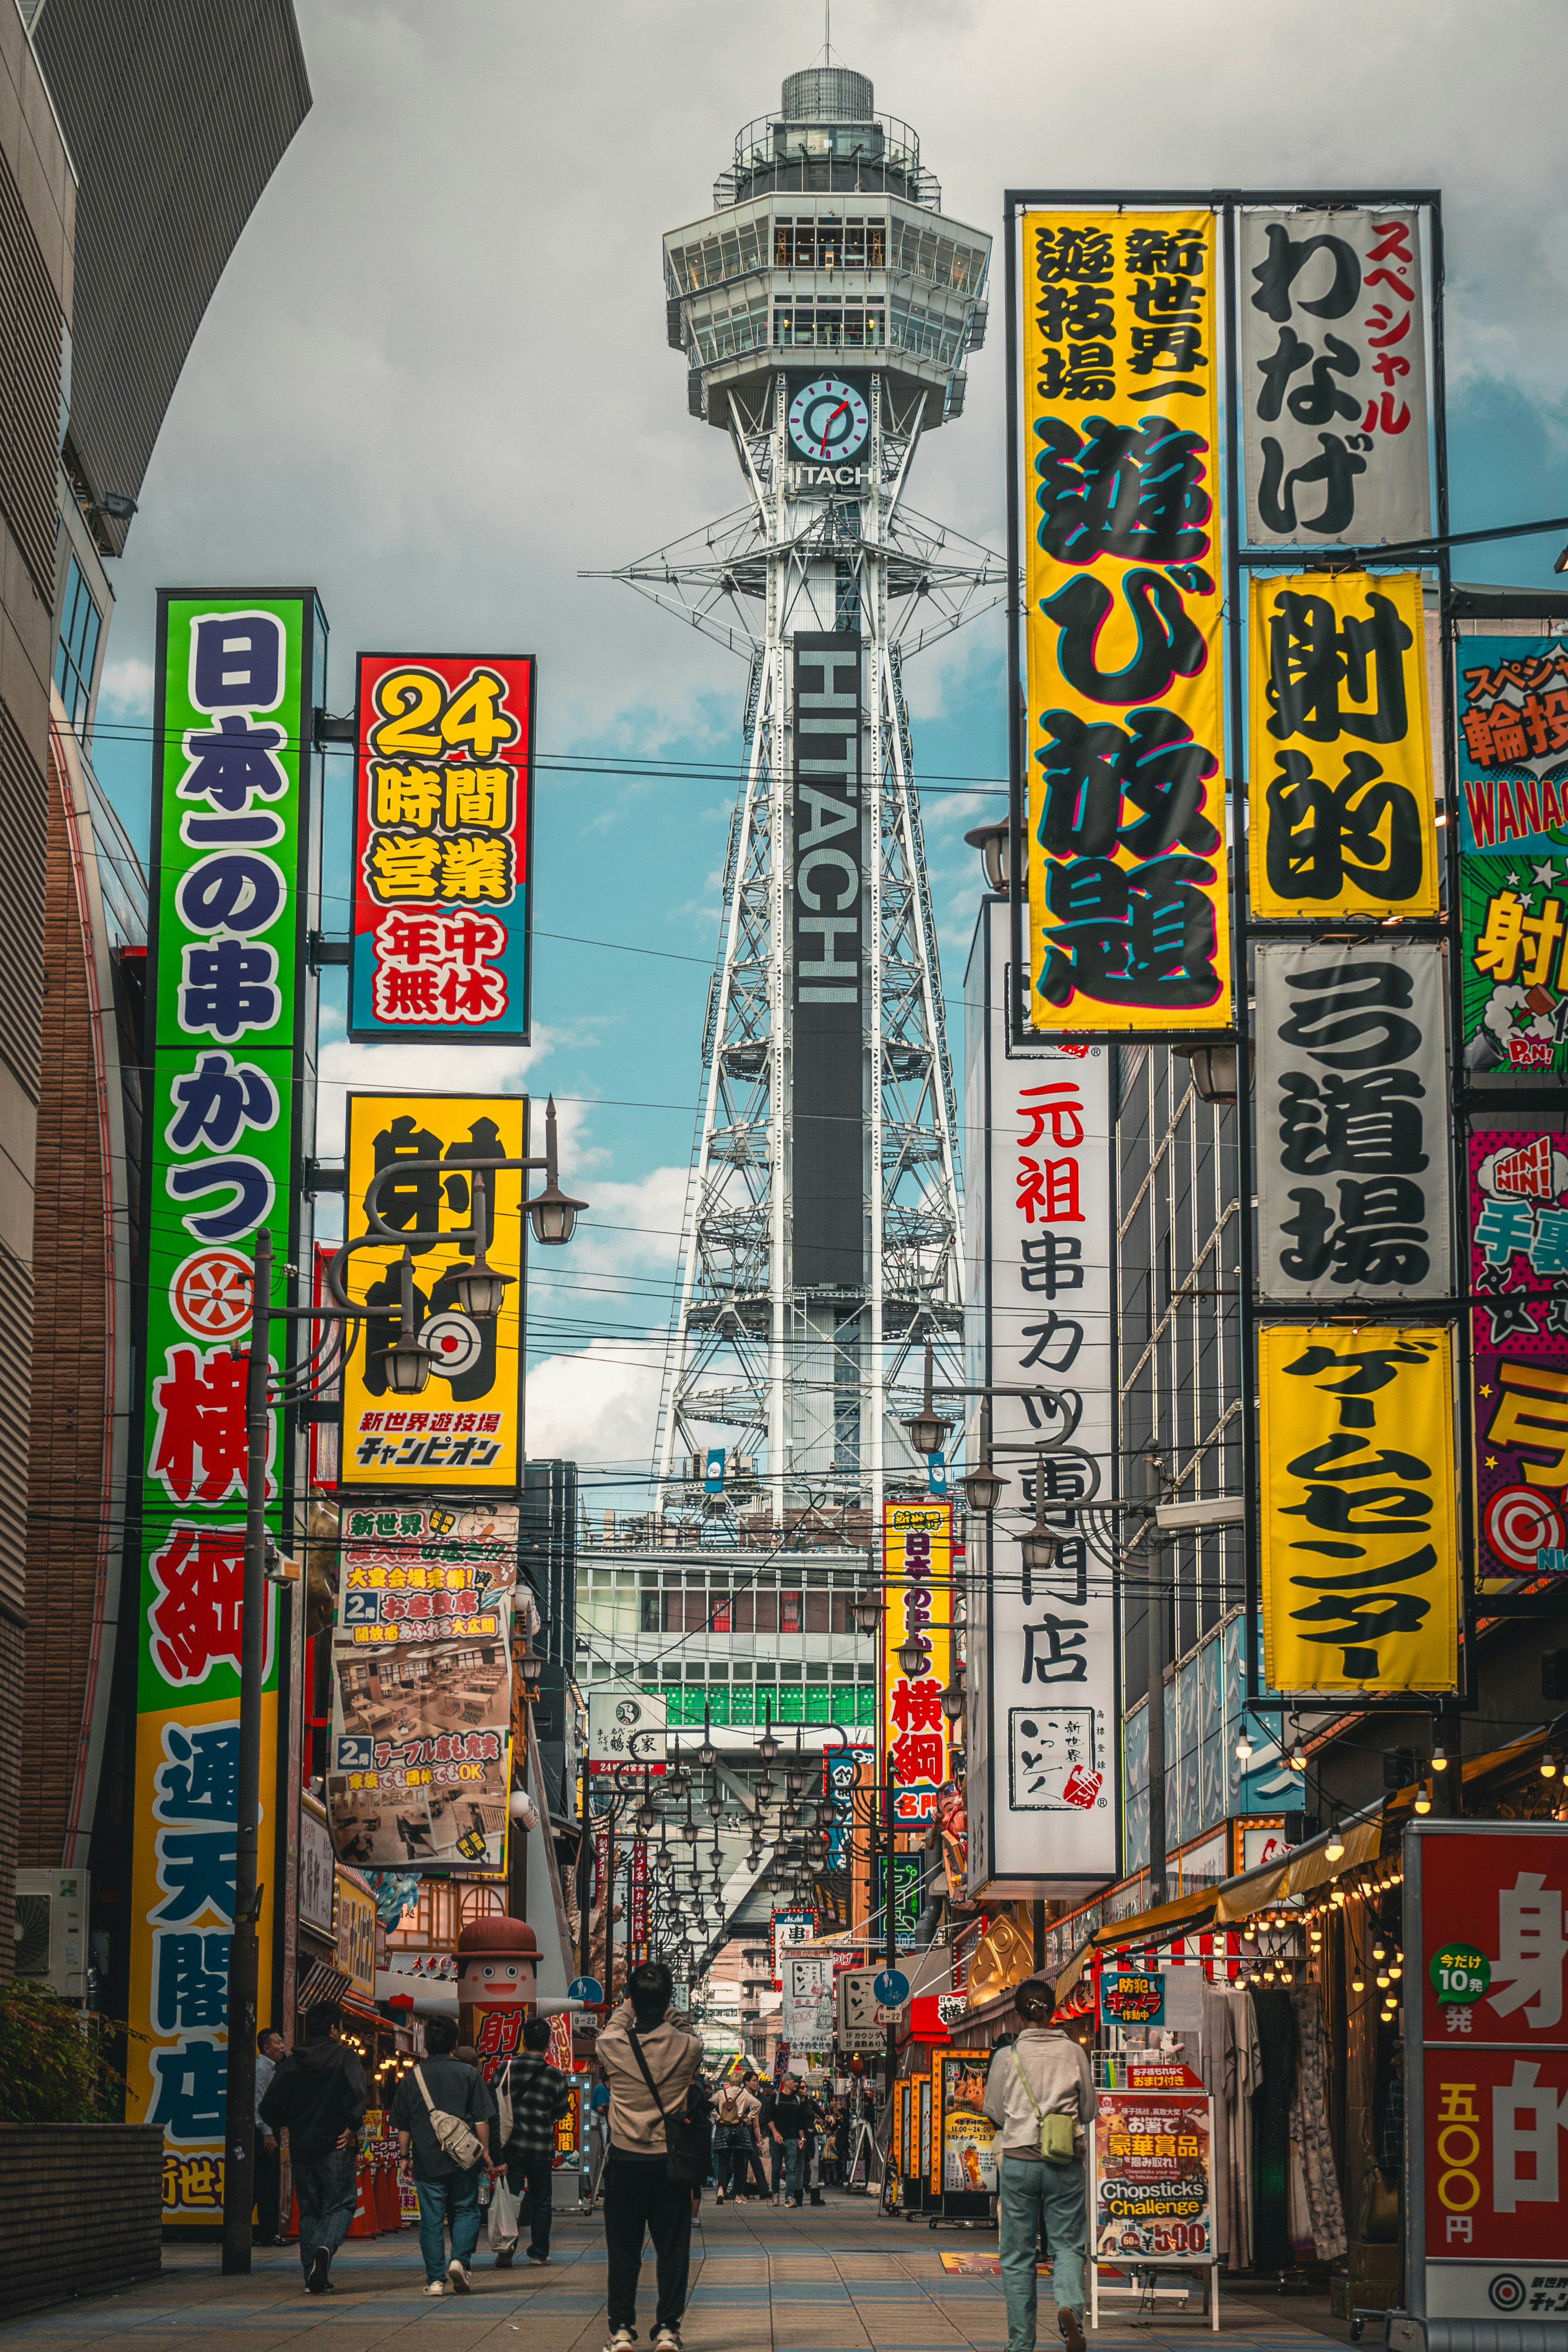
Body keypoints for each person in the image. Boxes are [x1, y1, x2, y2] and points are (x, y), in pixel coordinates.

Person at [597, 1959, 705, 2352]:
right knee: (673, 2248)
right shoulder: (687, 2046)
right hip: (669, 2162)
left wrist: (631, 2003)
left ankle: (622, 2329)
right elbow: (688, 2030)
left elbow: (613, 2025)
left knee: (623, 2250)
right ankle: (666, 2330)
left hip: (624, 2160)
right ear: (666, 2002)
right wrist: (664, 2008)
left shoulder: (610, 2045)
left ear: (631, 1998)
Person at [983, 1973, 1093, 2352]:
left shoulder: (1006, 2056)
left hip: (1018, 2160)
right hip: (1064, 2161)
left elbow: (993, 2111)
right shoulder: (1074, 2053)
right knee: (1066, 2245)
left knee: (1017, 2254)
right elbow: (1090, 2110)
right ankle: (1068, 2308)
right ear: (1053, 2011)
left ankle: (1020, 2343)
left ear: (1017, 2014)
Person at [259, 2003, 367, 2295]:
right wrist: (351, 2125)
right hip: (336, 2142)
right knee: (342, 2203)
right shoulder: (346, 2057)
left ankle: (312, 2274)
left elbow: (268, 2105)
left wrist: (289, 2122)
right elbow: (358, 2094)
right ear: (334, 2029)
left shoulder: (292, 2063)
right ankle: (325, 2248)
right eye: (341, 2027)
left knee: (309, 2209)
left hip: (302, 2145)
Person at [390, 2013, 495, 2298]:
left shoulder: (414, 2078)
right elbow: (482, 2119)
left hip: (427, 2159)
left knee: (432, 2219)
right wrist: (484, 2152)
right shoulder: (470, 2074)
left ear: (425, 2044)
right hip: (464, 2159)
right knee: (466, 2209)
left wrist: (404, 2156)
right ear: (454, 2042)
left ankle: (436, 2280)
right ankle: (460, 2260)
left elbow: (404, 2124)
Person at [495, 2015, 574, 2266]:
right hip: (541, 2148)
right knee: (542, 2201)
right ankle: (539, 2253)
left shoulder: (504, 2069)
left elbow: (495, 2104)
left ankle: (506, 2250)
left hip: (511, 2146)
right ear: (548, 2042)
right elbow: (562, 2111)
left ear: (524, 2040)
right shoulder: (555, 2075)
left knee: (511, 2199)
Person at [254, 2028, 287, 2245]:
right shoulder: (261, 2070)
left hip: (270, 2131)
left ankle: (266, 2232)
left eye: (282, 2041)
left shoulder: (274, 2069)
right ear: (266, 2048)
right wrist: (267, 2133)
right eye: (277, 2043)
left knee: (263, 2184)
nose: (282, 2046)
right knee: (264, 2183)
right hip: (261, 2133)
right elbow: (257, 2105)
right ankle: (267, 2233)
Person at [712, 2071, 760, 2204]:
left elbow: (710, 2104)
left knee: (724, 2162)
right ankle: (738, 2194)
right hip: (739, 2129)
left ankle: (721, 2189)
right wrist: (749, 2117)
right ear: (741, 2081)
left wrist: (718, 2117)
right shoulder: (744, 2095)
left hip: (723, 2130)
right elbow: (758, 2105)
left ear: (730, 2080)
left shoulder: (722, 2093)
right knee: (739, 2163)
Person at [768, 2073, 809, 2207]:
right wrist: (775, 2133)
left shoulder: (797, 2100)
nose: (797, 2084)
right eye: (794, 2081)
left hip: (792, 2140)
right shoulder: (776, 2098)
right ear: (786, 2082)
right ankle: (775, 2195)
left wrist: (802, 2138)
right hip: (777, 2140)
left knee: (791, 2169)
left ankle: (789, 2197)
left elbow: (799, 2122)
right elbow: (769, 2119)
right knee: (776, 2168)